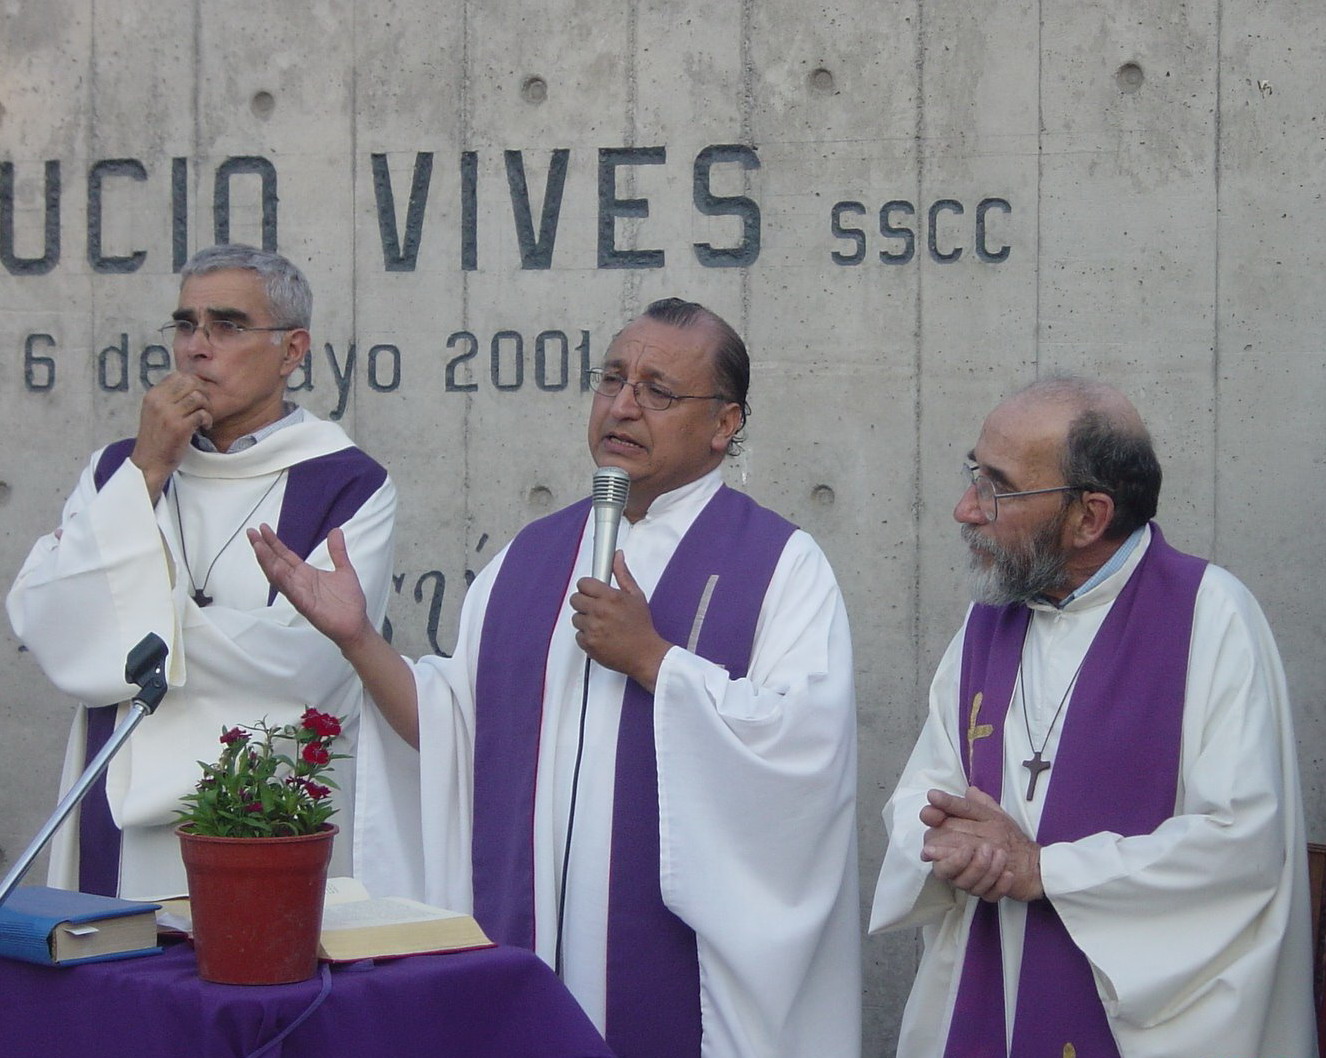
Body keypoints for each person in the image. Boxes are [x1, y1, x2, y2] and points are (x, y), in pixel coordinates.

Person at [250, 298, 861, 1058]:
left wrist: (654, 660)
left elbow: (802, 756)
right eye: (612, 379)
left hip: (684, 993)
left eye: (657, 390)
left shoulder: (780, 565)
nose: (623, 405)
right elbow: (452, 740)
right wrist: (357, 639)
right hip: (533, 958)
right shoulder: (531, 557)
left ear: (724, 424)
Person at [870, 375, 1316, 1057]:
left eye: (998, 486)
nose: (966, 508)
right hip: (996, 989)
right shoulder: (989, 619)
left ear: (1089, 517)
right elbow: (922, 791)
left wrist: (1047, 870)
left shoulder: (1210, 617)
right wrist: (945, 843)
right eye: (973, 474)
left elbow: (1242, 844)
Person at [7, 244, 396, 901]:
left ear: (292, 350)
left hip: (266, 812)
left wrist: (129, 622)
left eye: (227, 326)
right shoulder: (117, 472)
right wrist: (148, 473)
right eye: (185, 325)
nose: (196, 347)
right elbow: (45, 622)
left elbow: (307, 665)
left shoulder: (348, 483)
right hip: (115, 814)